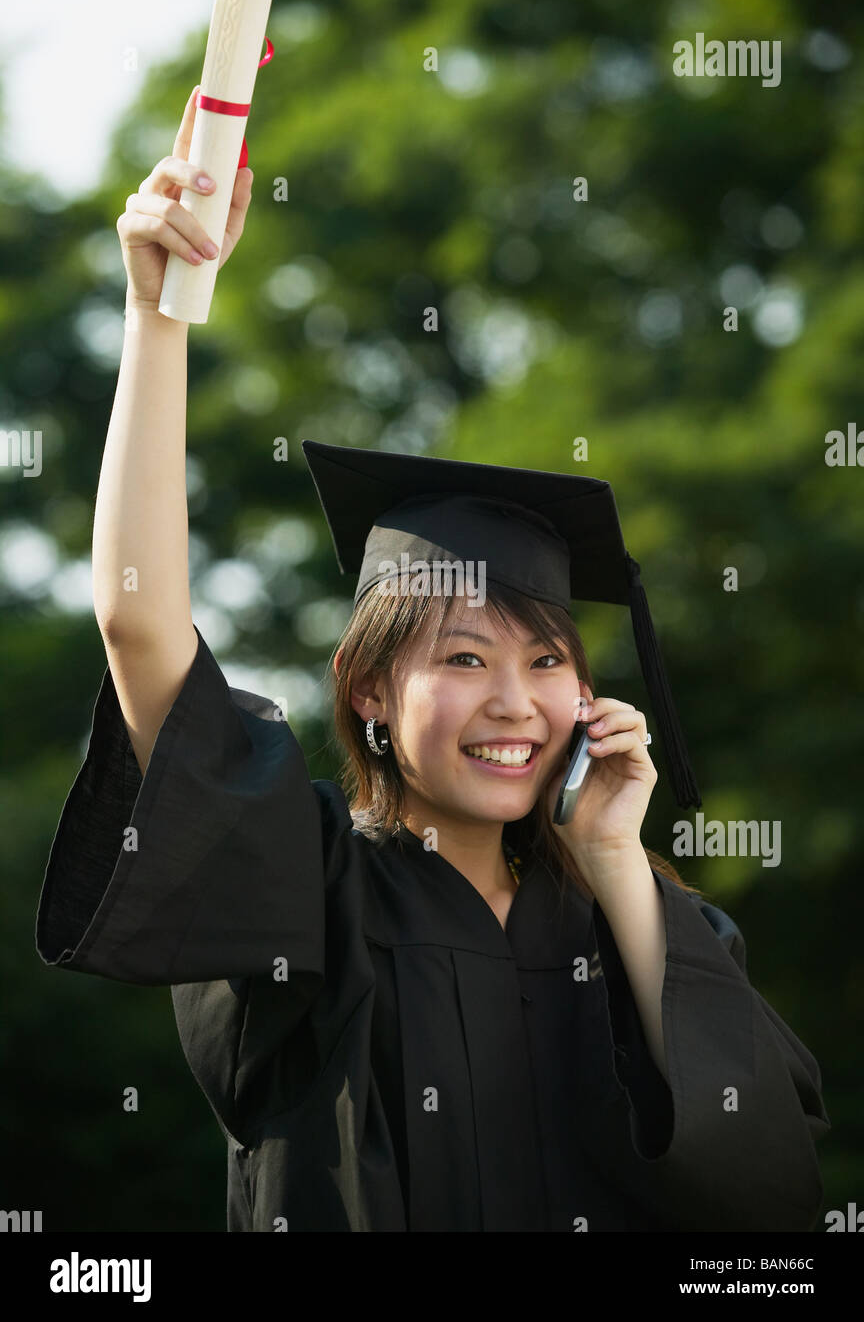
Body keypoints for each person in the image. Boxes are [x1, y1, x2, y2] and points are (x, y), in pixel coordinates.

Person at [35, 88, 829, 1233]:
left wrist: (614, 861)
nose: (515, 702)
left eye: (548, 659)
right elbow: (140, 627)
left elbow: (767, 1201)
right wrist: (157, 317)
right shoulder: (306, 884)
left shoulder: (650, 926)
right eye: (463, 655)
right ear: (369, 690)